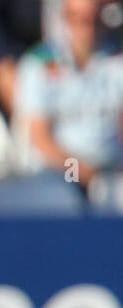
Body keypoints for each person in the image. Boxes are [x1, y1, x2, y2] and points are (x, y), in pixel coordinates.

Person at [16, 0, 123, 188]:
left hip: (110, 169)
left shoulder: (116, 60)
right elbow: (40, 137)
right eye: (78, 19)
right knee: (68, 201)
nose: (87, 28)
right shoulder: (39, 64)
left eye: (93, 19)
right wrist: (82, 172)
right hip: (60, 170)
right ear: (63, 18)